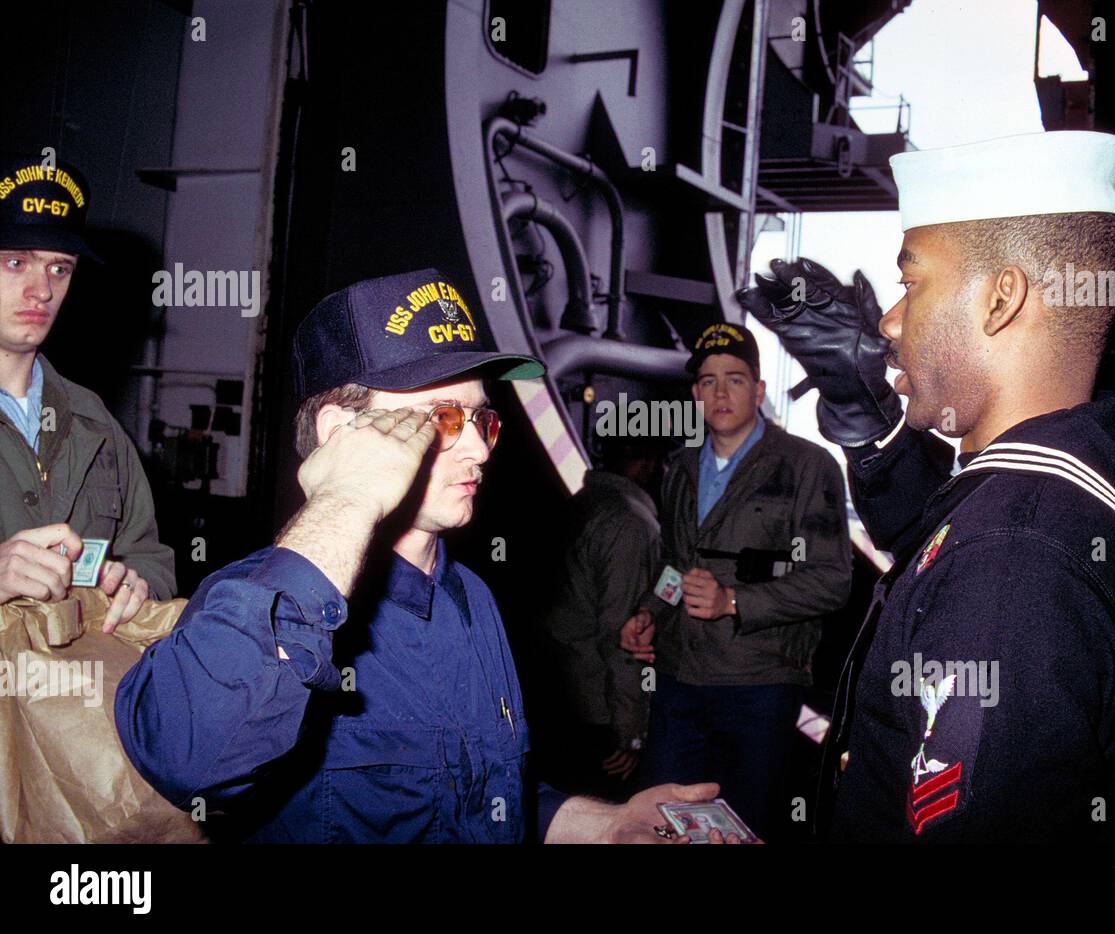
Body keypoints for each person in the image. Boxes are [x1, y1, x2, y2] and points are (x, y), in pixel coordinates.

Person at [115, 267, 727, 843]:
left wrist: (603, 824)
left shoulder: (473, 600)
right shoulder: (260, 604)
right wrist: (347, 499)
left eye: (482, 421)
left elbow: (484, 797)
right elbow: (186, 757)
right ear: (339, 434)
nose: (479, 451)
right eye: (440, 421)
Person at [741, 131, 1115, 842]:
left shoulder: (1011, 561)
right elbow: (947, 536)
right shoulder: (1106, 469)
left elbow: (987, 564)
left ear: (1002, 299)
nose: (888, 318)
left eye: (912, 282)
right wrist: (864, 407)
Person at [621, 322, 853, 840]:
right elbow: (674, 570)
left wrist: (733, 600)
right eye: (707, 381)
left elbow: (832, 581)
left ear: (759, 390)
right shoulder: (678, 468)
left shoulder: (807, 467)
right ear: (695, 393)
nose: (720, 393)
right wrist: (648, 613)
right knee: (659, 822)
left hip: (760, 685)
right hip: (680, 682)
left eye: (735, 379)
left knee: (742, 828)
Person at [0, 153, 175, 632]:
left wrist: (136, 586)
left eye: (60, 269)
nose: (42, 291)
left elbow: (150, 556)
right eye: (17, 262)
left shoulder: (91, 418)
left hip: (67, 698)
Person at [540, 437, 664, 796]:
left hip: (562, 696)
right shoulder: (629, 522)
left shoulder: (583, 503)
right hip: (602, 712)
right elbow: (622, 637)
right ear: (649, 462)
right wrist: (632, 734)